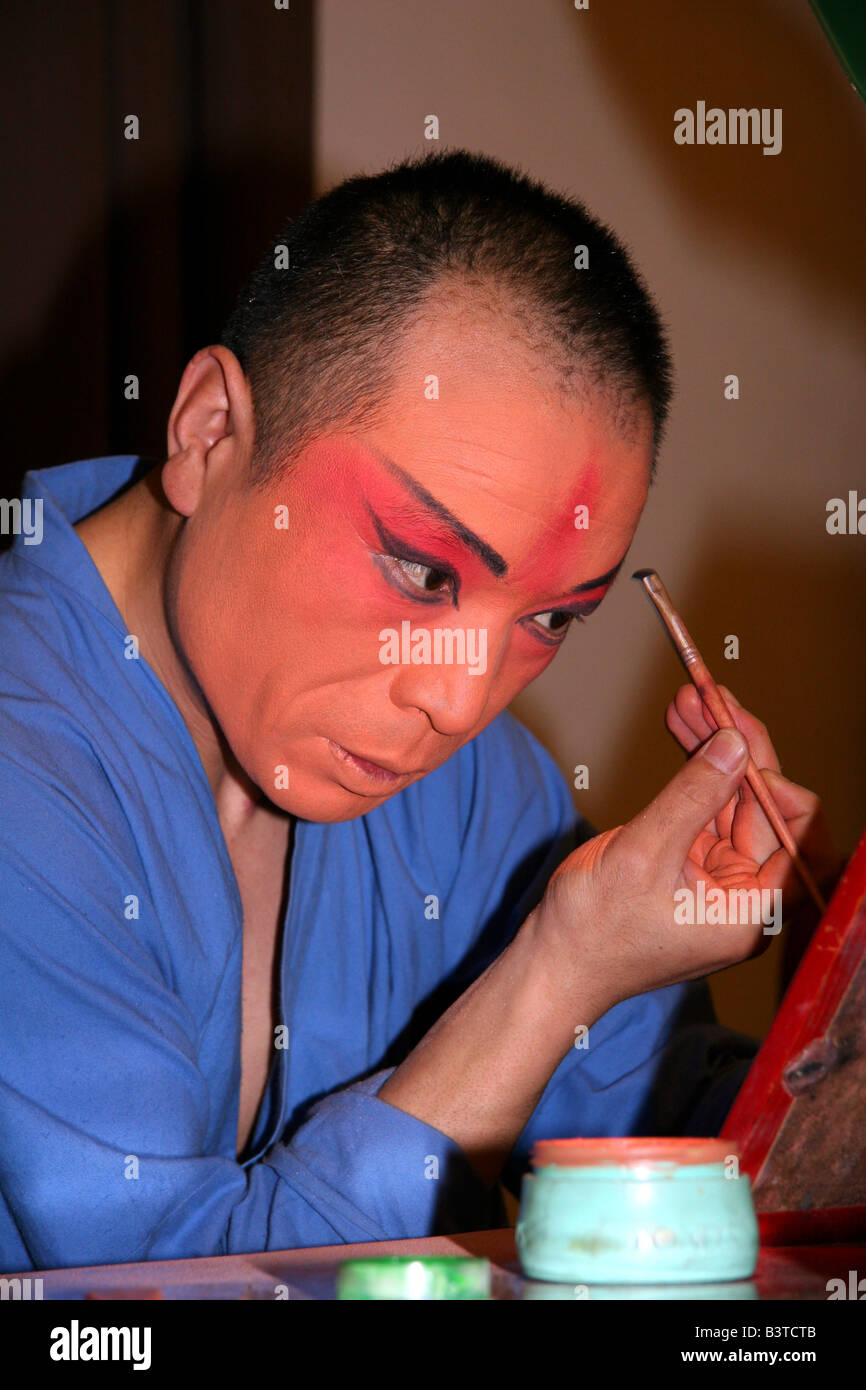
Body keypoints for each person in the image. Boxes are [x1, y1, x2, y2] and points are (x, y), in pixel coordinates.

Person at [0, 149, 839, 1272]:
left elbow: (656, 1133)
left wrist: (828, 991)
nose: (457, 698)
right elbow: (164, 1301)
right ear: (206, 433)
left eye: (549, 619)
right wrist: (554, 967)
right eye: (421, 571)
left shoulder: (485, 792)